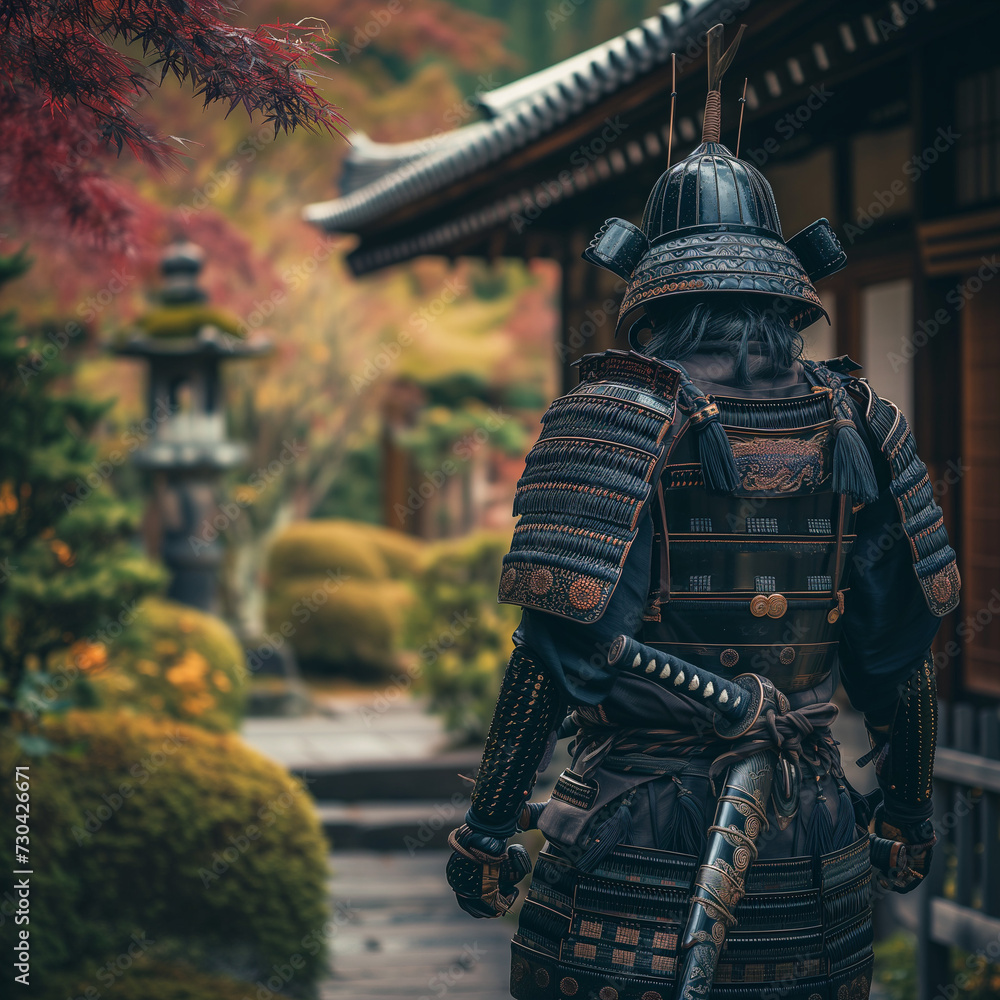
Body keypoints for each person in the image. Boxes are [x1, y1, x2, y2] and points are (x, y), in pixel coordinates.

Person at [446, 24, 960, 1000]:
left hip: (631, 846)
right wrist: (908, 809)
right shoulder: (862, 420)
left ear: (654, 288)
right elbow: (902, 654)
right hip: (813, 852)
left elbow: (552, 655)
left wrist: (485, 828)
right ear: (778, 287)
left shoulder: (610, 418)